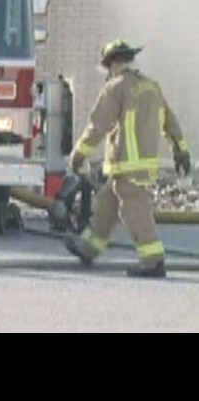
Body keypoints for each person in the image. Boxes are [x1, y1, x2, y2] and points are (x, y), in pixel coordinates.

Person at [65, 39, 191, 278]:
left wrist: (78, 155)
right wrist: (180, 151)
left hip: (126, 164)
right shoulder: (152, 87)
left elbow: (97, 126)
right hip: (141, 165)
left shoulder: (115, 88)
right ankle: (88, 247)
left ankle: (153, 261)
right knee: (107, 203)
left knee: (134, 210)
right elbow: (170, 121)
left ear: (112, 64)